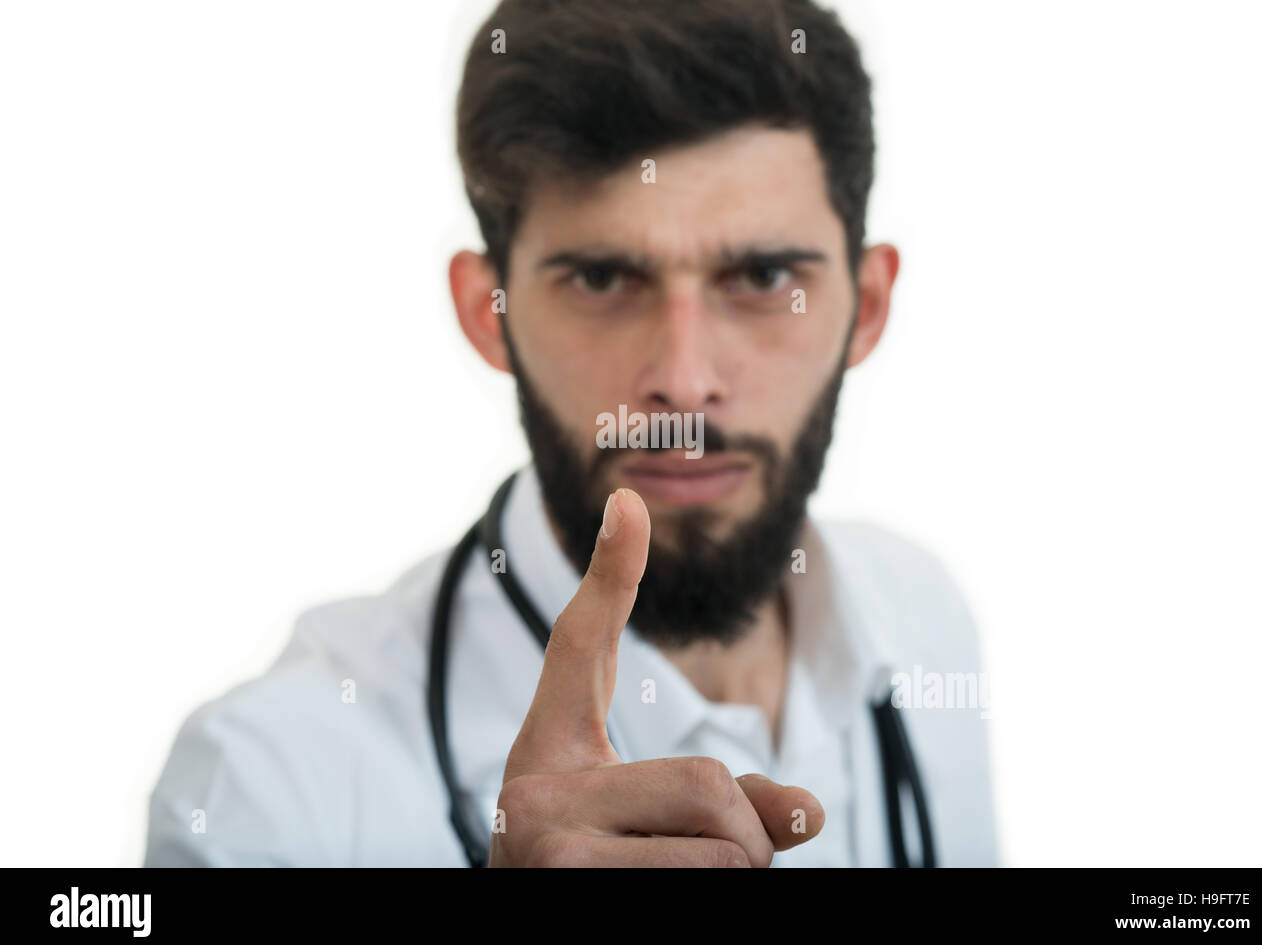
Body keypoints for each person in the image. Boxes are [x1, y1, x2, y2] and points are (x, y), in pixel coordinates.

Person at [145, 0, 999, 867]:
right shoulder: (271, 793)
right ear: (490, 313)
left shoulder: (925, 626)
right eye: (601, 277)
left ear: (868, 307)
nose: (684, 376)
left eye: (763, 275)